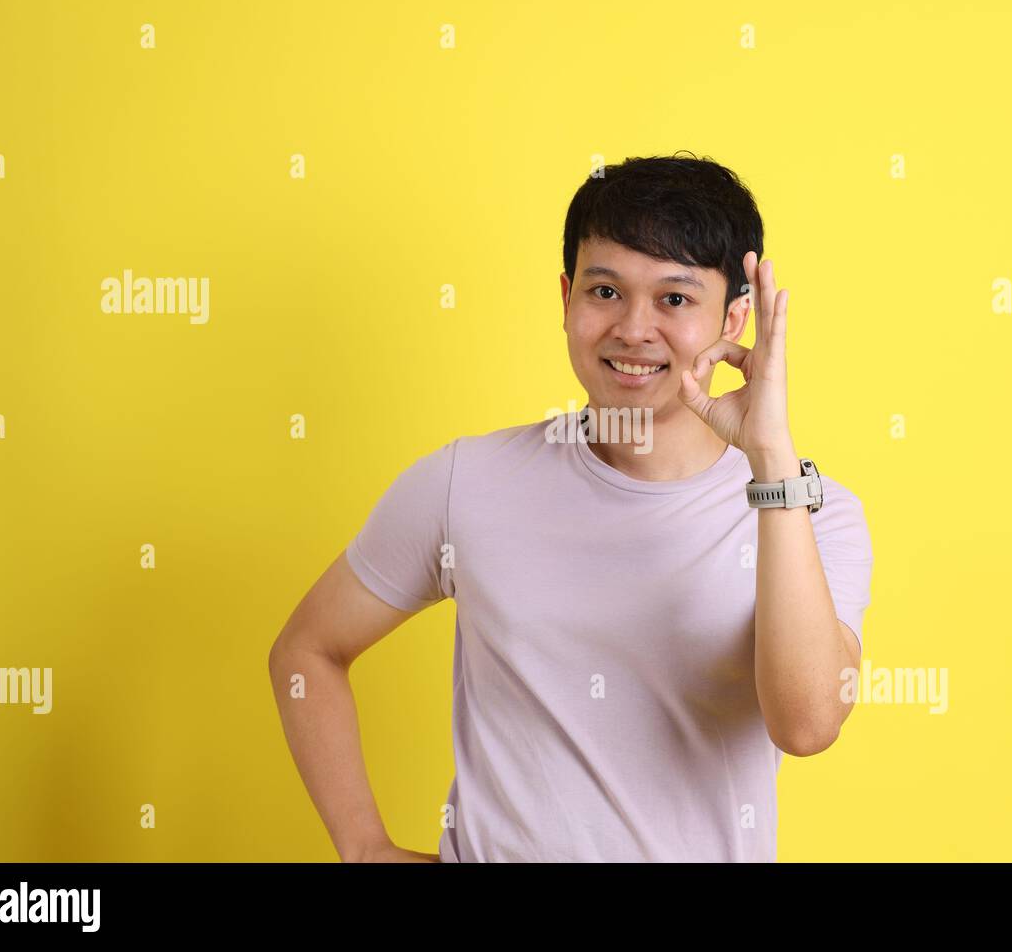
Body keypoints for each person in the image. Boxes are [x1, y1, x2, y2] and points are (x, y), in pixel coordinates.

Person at [268, 153, 873, 862]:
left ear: (735, 317)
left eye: (675, 299)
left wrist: (770, 458)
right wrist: (364, 847)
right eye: (605, 291)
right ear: (565, 298)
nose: (633, 329)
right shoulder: (469, 482)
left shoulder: (809, 511)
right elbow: (306, 651)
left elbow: (807, 725)